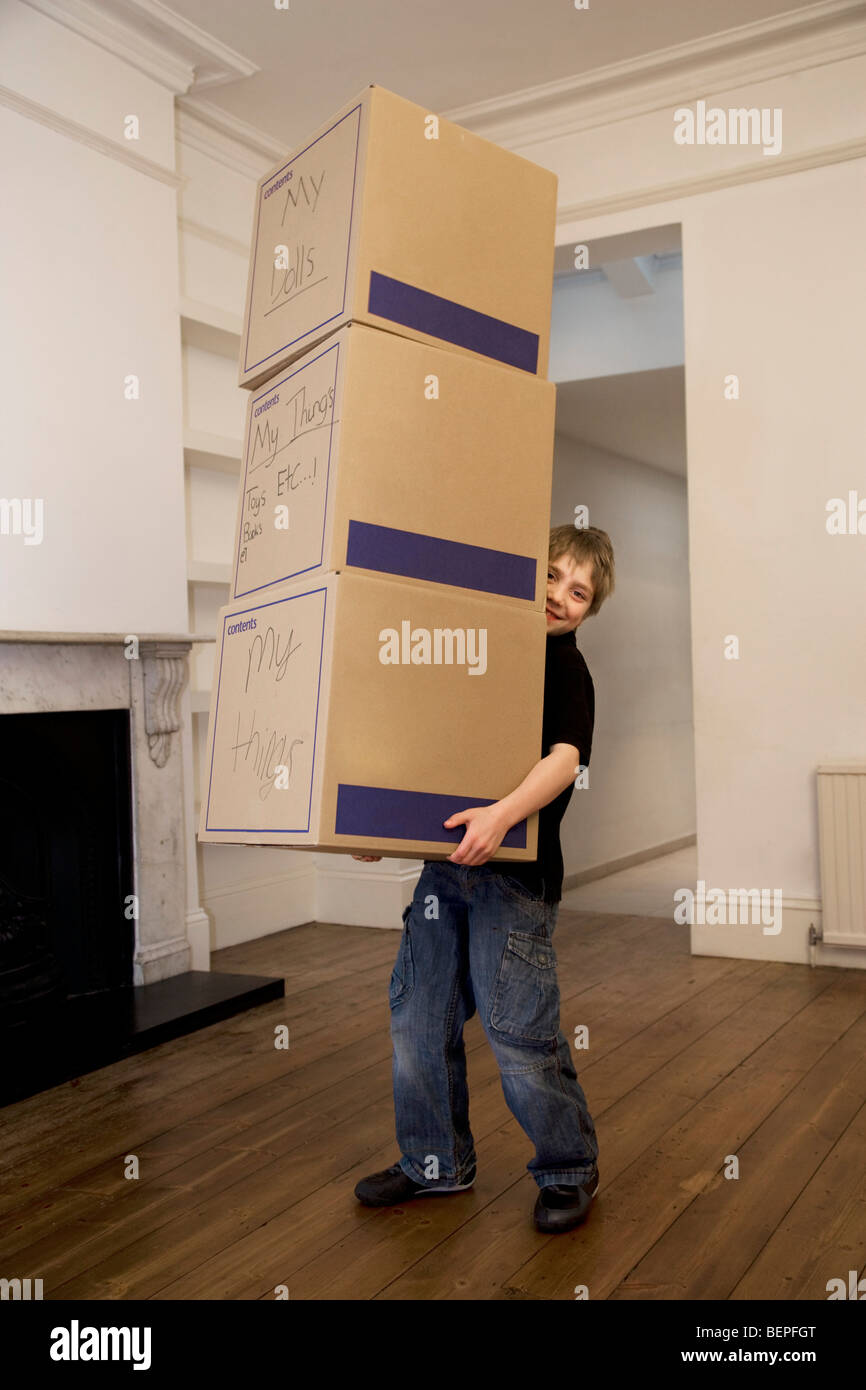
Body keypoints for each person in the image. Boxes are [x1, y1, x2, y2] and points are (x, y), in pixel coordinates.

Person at [352, 523, 615, 1233]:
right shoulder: (480, 652)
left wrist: (502, 817)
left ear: (590, 609)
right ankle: (435, 1162)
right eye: (553, 575)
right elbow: (431, 747)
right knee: (417, 1018)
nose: (561, 595)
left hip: (515, 883)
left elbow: (565, 759)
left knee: (517, 1033)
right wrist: (380, 824)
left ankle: (568, 1167)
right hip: (445, 877)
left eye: (580, 590)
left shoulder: (564, 667)